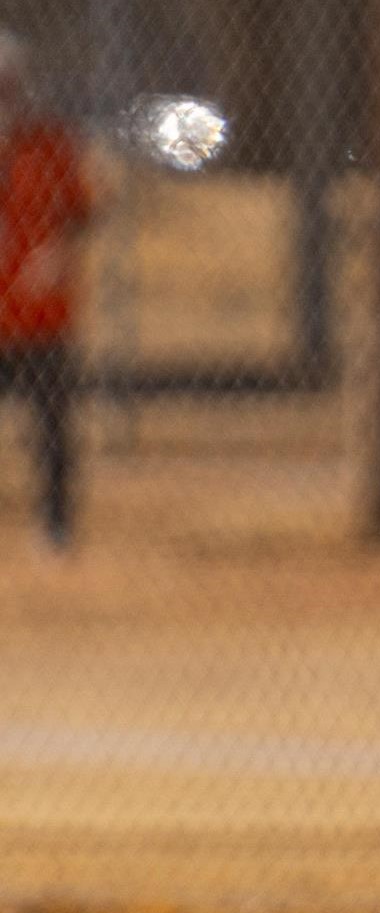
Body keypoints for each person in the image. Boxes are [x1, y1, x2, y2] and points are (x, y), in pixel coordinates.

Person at [0, 32, 92, 551]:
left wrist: (60, 252)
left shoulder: (50, 144)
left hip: (39, 316)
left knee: (52, 427)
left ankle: (56, 527)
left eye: (8, 86)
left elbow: (81, 211)